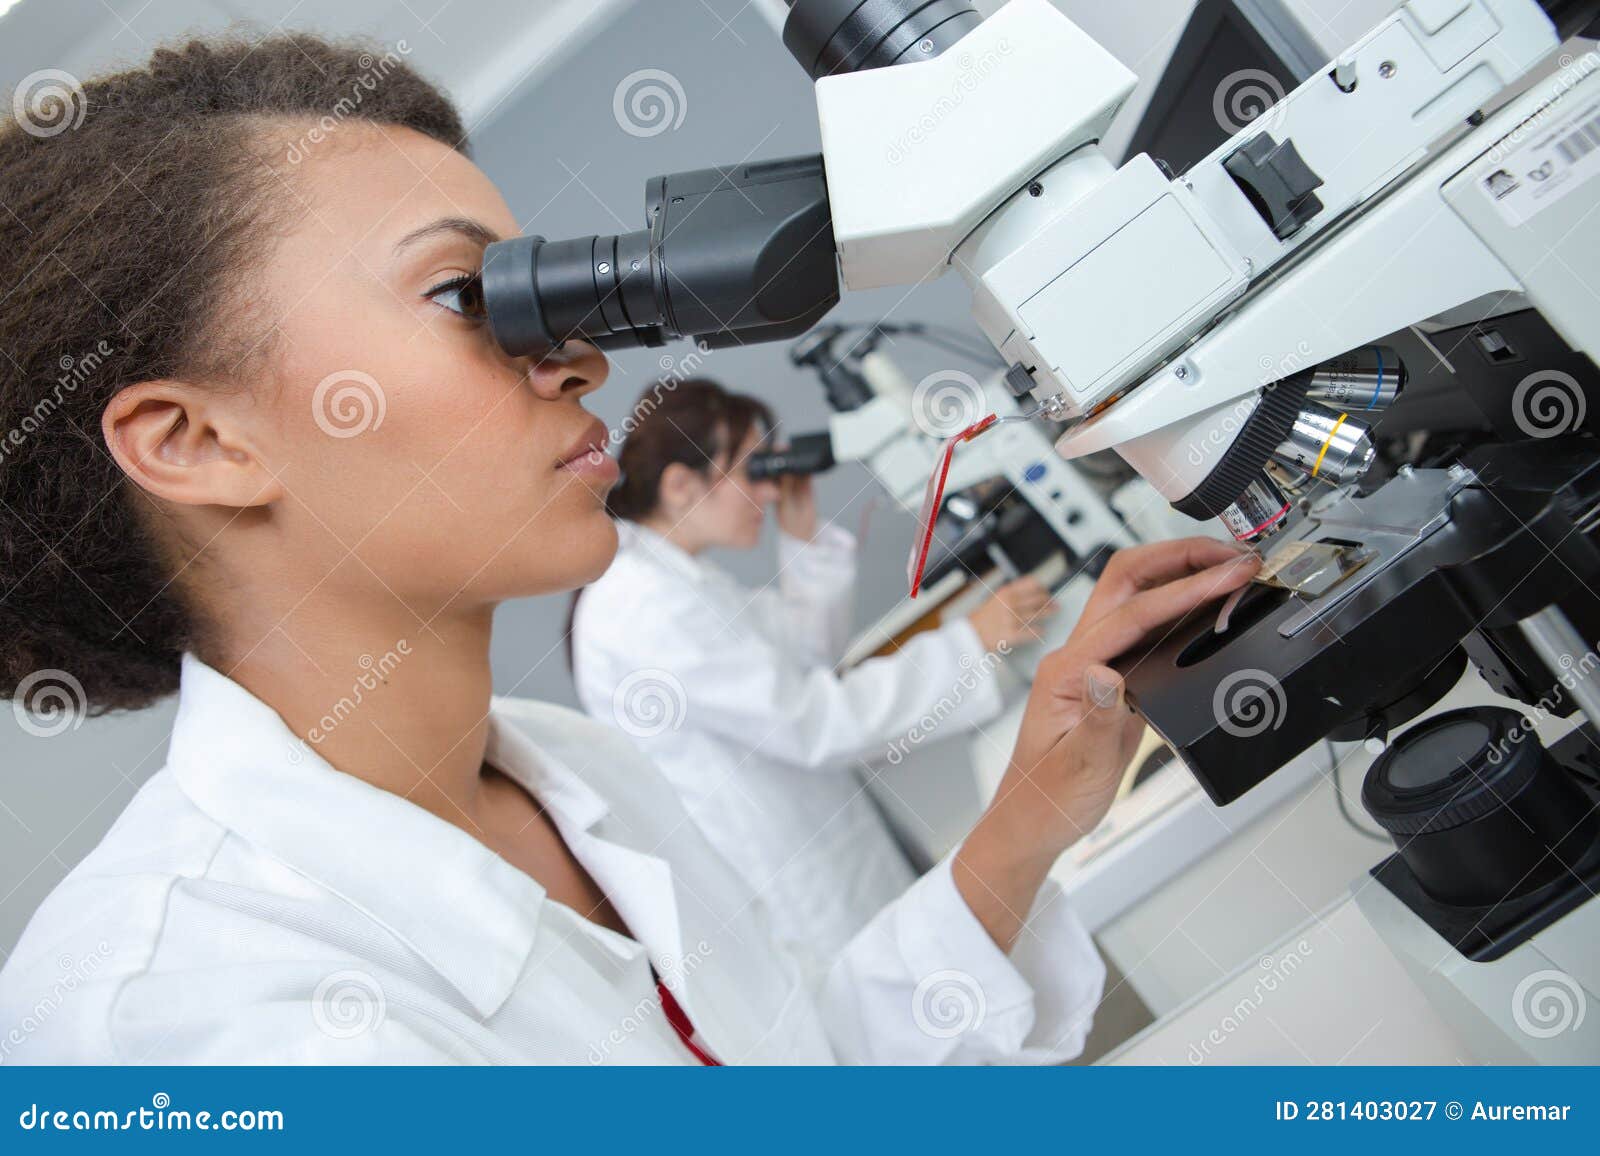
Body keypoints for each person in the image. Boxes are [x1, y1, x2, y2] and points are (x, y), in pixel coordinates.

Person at [0, 36, 1260, 1064]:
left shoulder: (584, 777)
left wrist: (1034, 804)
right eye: (461, 294)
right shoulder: (177, 1022)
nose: (582, 354)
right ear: (195, 440)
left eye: (528, 281)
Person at [571, 377, 1056, 974]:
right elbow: (815, 720)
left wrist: (801, 531)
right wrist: (968, 643)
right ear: (680, 485)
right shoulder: (643, 604)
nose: (769, 491)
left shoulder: (676, 582)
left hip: (826, 851)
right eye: (753, 471)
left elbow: (801, 661)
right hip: (798, 891)